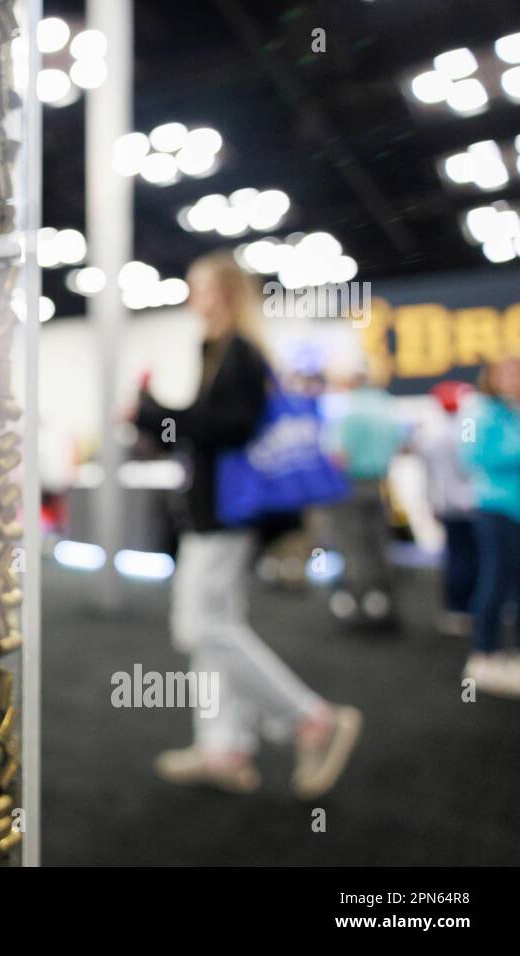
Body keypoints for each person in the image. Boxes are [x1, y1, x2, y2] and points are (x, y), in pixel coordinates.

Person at [126, 251, 363, 797]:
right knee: (216, 625)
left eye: (199, 287)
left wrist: (152, 413)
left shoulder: (240, 353)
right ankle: (224, 747)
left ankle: (312, 717)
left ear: (225, 294)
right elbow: (212, 426)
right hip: (217, 512)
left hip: (224, 515)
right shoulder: (223, 350)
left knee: (201, 627)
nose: (191, 296)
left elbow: (226, 429)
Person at [319, 357, 406, 626]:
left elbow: (338, 454)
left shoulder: (348, 411)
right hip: (378, 483)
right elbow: (402, 444)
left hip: (348, 485)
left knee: (351, 542)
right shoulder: (385, 405)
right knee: (377, 542)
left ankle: (357, 599)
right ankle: (380, 597)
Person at [458, 359, 520, 698]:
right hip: (495, 510)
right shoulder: (478, 410)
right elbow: (471, 456)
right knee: (494, 582)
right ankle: (484, 654)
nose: (515, 379)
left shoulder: (513, 411)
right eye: (509, 372)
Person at [414, 381, 476, 637]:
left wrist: (432, 502)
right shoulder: (467, 432)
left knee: (458, 557)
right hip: (473, 505)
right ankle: (468, 607)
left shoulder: (435, 436)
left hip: (452, 505)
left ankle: (459, 608)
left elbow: (430, 476)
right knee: (472, 558)